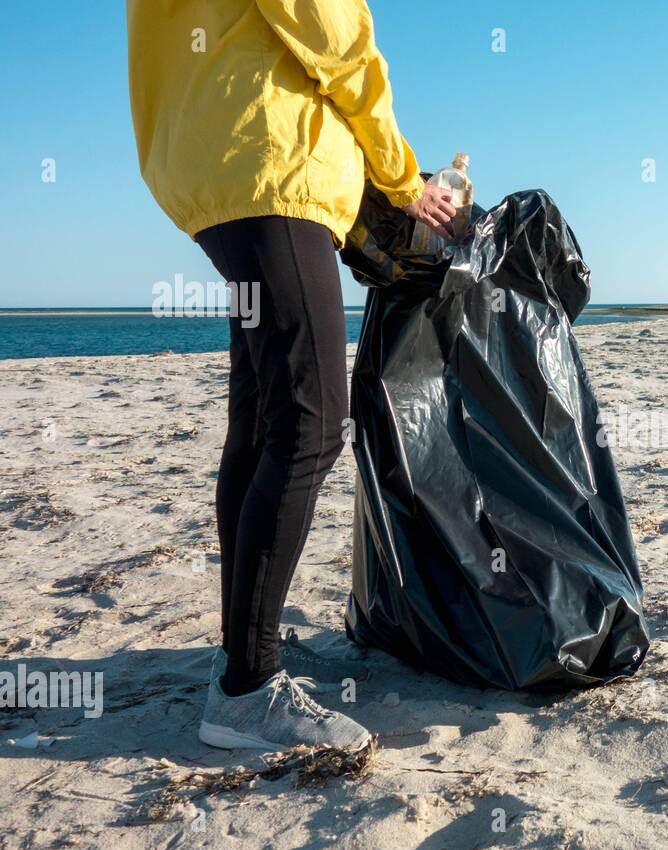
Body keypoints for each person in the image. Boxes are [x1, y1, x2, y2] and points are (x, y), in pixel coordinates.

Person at [126, 0, 455, 751]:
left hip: (214, 168)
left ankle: (242, 653)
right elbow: (338, 40)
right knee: (311, 423)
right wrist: (402, 177)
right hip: (271, 162)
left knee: (265, 423)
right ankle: (247, 690)